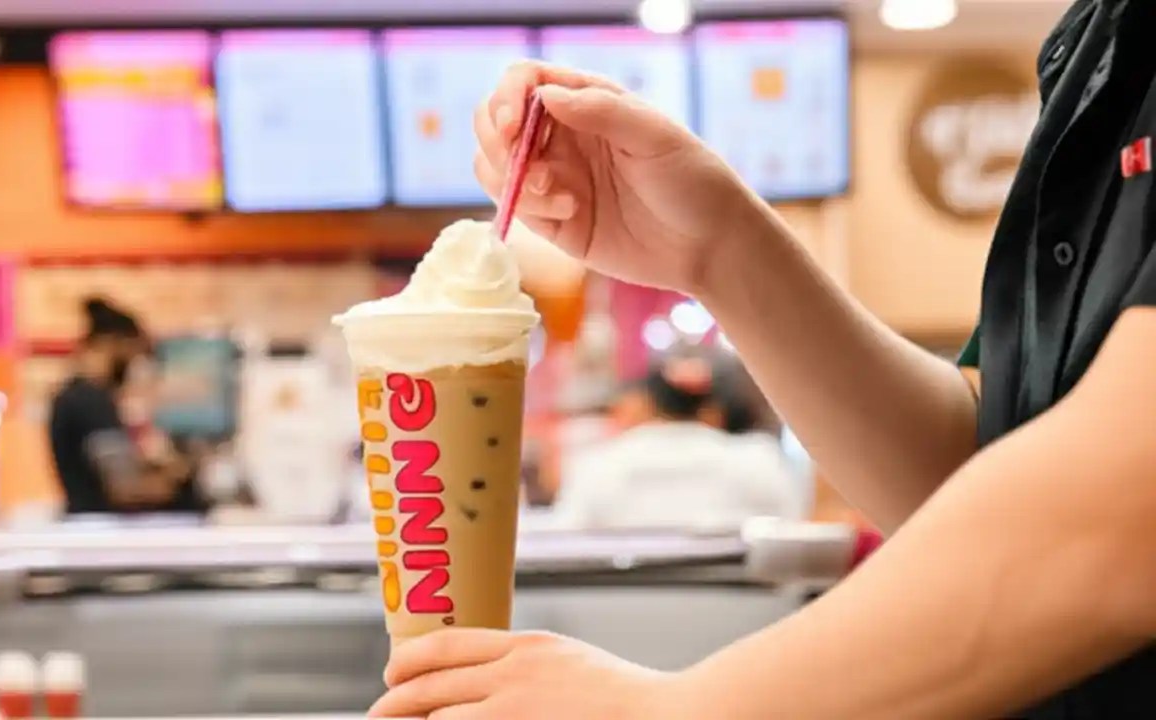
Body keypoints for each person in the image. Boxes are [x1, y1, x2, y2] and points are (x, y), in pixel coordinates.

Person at [369, 3, 1156, 717]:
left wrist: (670, 712)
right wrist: (718, 250)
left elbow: (1124, 513)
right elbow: (980, 464)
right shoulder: (1098, 40)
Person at [554, 346, 797, 531]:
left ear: (647, 404)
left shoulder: (601, 464)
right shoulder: (758, 459)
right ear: (712, 411)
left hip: (620, 593)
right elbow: (788, 528)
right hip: (744, 595)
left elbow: (567, 538)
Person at [49, 298, 198, 516]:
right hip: (102, 531)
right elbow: (126, 490)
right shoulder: (89, 402)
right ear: (112, 344)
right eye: (133, 353)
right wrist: (179, 475)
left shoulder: (75, 397)